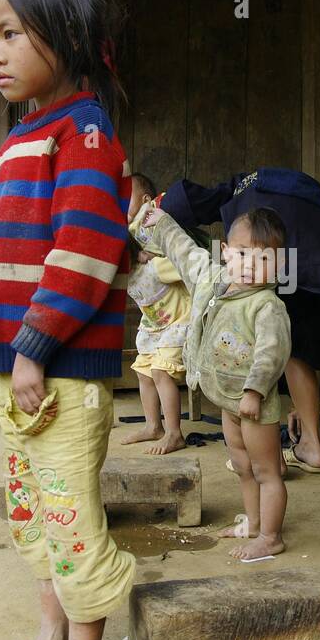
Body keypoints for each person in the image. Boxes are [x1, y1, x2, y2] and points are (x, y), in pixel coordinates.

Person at [0, 0, 134, 640]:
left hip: (57, 374)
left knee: (69, 519)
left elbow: (86, 253)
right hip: (16, 375)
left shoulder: (84, 136)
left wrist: (30, 346)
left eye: (11, 34)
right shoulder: (11, 148)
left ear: (63, 32)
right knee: (32, 514)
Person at [160, 169, 320, 473]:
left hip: (297, 246)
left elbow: (182, 206)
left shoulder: (242, 201)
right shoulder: (272, 182)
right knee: (303, 343)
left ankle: (270, 459)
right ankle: (312, 445)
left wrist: (157, 215)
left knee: (264, 338)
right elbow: (311, 346)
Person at [140, 200, 292, 560]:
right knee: (241, 466)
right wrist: (160, 223)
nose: (251, 265)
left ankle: (270, 537)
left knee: (265, 470)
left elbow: (272, 353)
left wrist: (254, 391)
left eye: (264, 258)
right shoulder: (214, 283)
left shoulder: (267, 306)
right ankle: (252, 524)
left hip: (253, 404)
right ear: (225, 253)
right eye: (242, 253)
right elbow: (185, 253)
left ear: (280, 264)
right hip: (226, 400)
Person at [122, 173, 193, 454]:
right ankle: (154, 426)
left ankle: (175, 432)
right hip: (153, 325)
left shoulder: (156, 264)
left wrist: (155, 254)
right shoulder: (127, 271)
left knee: (160, 371)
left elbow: (188, 265)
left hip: (179, 321)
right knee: (143, 372)